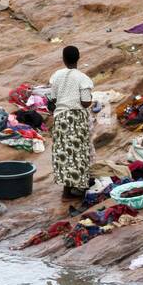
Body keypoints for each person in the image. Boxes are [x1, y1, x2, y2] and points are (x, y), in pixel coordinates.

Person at [48, 45, 94, 199]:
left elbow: (53, 98)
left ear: (63, 59)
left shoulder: (57, 76)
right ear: (79, 58)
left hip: (60, 118)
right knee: (78, 152)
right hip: (76, 118)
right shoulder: (82, 78)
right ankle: (78, 189)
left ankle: (66, 191)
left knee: (64, 154)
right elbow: (86, 102)